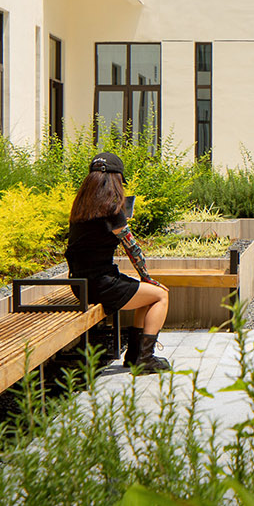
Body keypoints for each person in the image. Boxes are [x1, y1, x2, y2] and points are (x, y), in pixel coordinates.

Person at [64, 151, 171, 372]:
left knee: (145, 296)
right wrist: (147, 277)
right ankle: (145, 358)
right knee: (160, 295)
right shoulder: (113, 208)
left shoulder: (80, 207)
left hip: (80, 284)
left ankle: (135, 356)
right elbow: (132, 248)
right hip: (102, 284)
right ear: (115, 180)